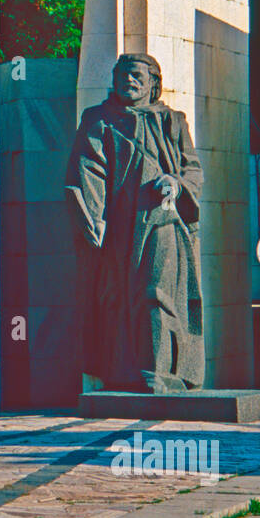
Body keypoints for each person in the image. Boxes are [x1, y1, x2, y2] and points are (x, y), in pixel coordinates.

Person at [65, 53, 204, 392]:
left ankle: (160, 370)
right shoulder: (98, 119)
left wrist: (175, 182)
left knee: (157, 292)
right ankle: (123, 371)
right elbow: (87, 168)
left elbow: (192, 169)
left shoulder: (172, 120)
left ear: (154, 83)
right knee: (116, 297)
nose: (129, 81)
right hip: (117, 226)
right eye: (123, 75)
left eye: (138, 76)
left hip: (162, 220)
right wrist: (92, 218)